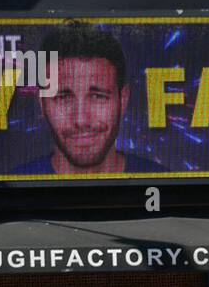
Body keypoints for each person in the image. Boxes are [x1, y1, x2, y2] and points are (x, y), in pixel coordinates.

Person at [12, 22, 165, 175]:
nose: (81, 120)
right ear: (42, 103)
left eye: (98, 97)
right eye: (64, 98)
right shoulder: (12, 188)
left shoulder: (161, 181)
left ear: (123, 100)